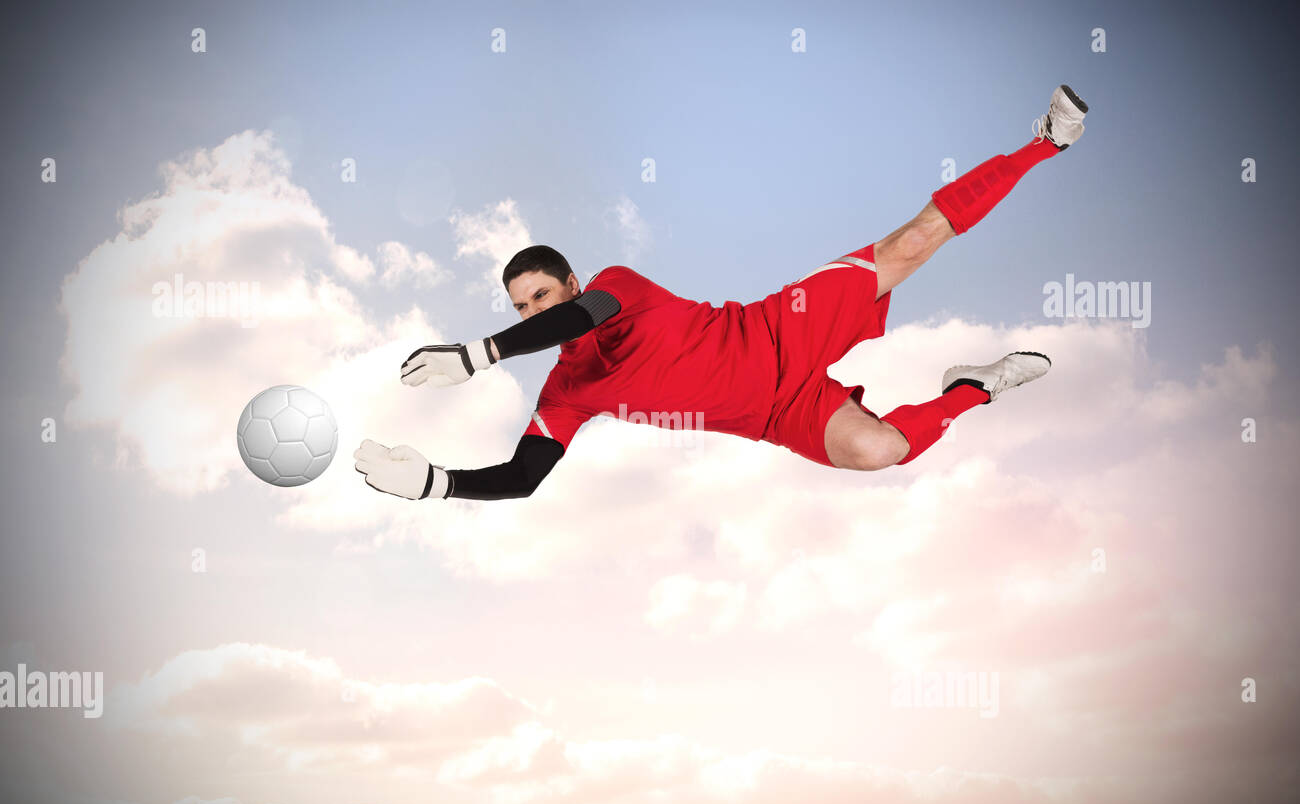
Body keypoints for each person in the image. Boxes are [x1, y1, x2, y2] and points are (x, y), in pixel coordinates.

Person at [355, 86, 1088, 502]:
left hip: (780, 331)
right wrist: (431, 483)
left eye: (541, 295)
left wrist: (481, 354)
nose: (534, 314)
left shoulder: (613, 289)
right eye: (520, 308)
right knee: (880, 451)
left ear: (570, 284)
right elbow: (522, 477)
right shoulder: (565, 394)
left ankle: (1044, 142)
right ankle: (970, 388)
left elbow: (579, 319)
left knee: (912, 243)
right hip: (776, 413)